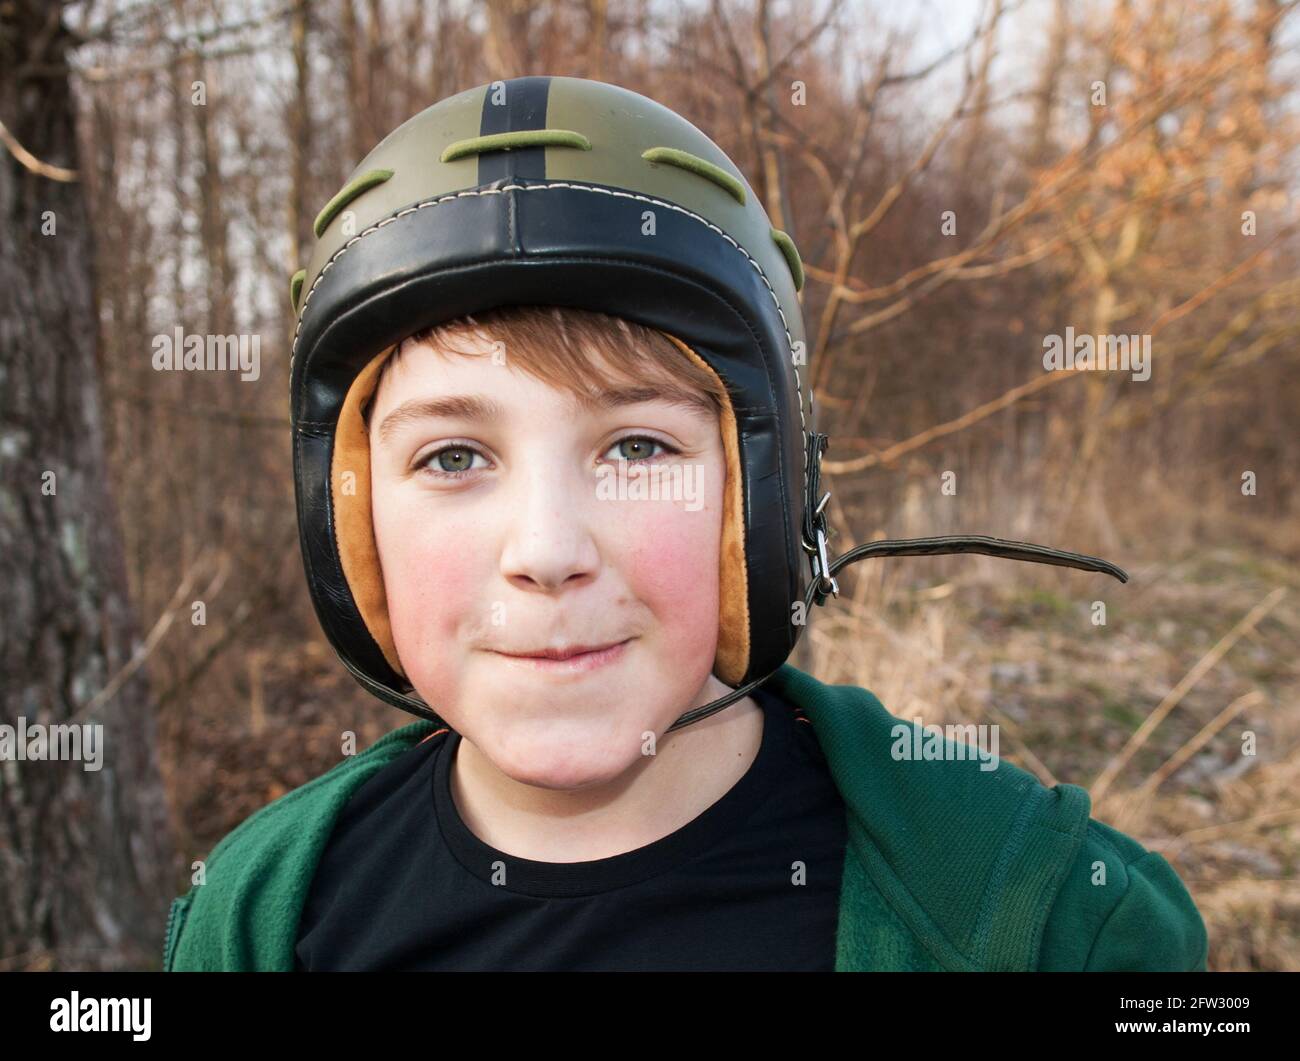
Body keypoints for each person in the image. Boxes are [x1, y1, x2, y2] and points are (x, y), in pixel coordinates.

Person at [162, 75, 1208, 972]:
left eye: (636, 449)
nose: (546, 552)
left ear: (763, 496)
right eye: (453, 457)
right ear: (352, 526)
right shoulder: (262, 912)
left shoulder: (1034, 908)